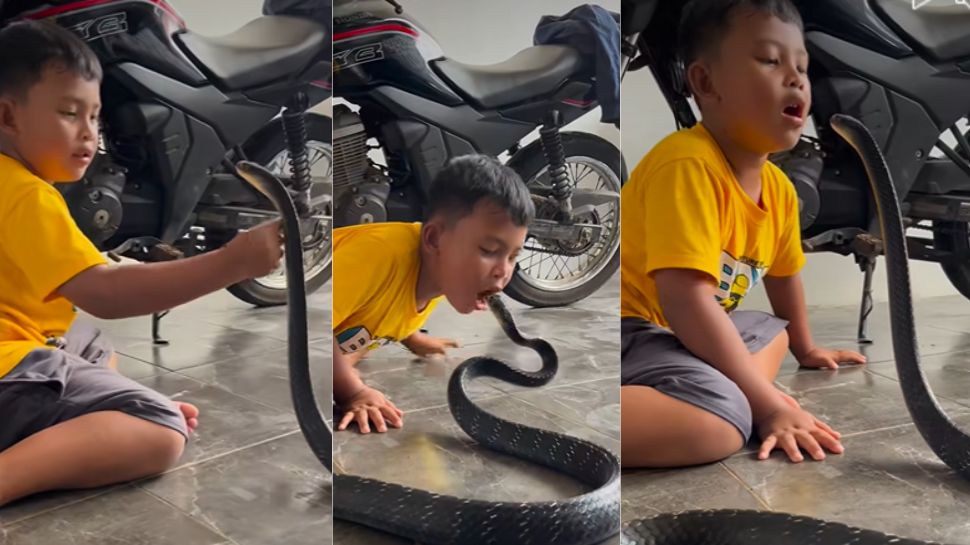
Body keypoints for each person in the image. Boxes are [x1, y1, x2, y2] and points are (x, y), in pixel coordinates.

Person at [0, 20, 283, 507]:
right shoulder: (25, 195)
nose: (89, 134)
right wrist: (230, 263)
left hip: (17, 342)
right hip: (8, 370)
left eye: (95, 117)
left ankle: (98, 414)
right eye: (70, 113)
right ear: (7, 116)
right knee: (161, 431)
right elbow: (107, 294)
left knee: (90, 343)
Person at [619, 0, 866, 468]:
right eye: (770, 60)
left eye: (802, 67)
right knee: (718, 427)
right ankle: (616, 410)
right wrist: (768, 403)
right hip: (635, 331)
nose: (794, 78)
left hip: (685, 334)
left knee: (772, 331)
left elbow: (784, 274)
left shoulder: (779, 189)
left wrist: (805, 348)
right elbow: (687, 299)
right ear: (706, 83)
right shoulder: (687, 165)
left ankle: (718, 383)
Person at [332, 155, 533, 434]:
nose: (503, 271)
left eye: (513, 257)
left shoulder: (443, 273)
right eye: (488, 250)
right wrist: (353, 392)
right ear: (434, 239)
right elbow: (308, 331)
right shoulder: (376, 255)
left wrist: (412, 337)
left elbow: (390, 302)